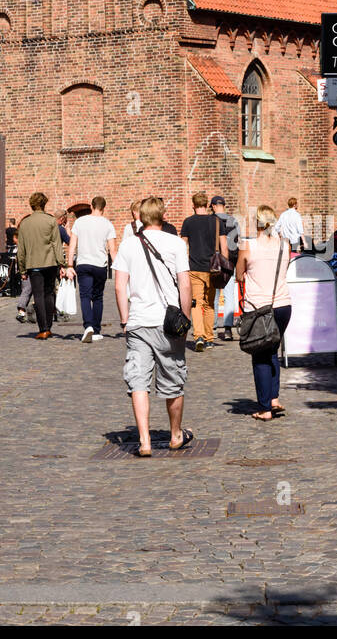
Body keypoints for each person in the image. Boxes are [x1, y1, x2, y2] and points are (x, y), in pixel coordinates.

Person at [113, 195, 193, 456]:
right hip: (168, 322)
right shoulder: (175, 244)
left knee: (138, 382)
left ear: (140, 217)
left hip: (138, 322)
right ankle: (175, 434)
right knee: (173, 380)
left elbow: (119, 285)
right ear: (163, 215)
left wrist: (124, 319)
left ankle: (145, 441)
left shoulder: (127, 245)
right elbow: (185, 283)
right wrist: (186, 315)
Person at [234, 205, 291, 420]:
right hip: (283, 305)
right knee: (272, 348)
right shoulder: (284, 246)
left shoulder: (248, 246)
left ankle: (265, 408)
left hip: (259, 309)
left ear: (256, 223)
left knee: (260, 356)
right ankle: (274, 399)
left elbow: (239, 275)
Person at [180, 190, 229, 352]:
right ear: (207, 205)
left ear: (193, 205)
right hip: (213, 269)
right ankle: (209, 338)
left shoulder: (188, 222)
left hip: (194, 268)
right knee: (209, 304)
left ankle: (198, 336)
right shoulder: (216, 222)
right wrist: (224, 266)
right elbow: (224, 248)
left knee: (196, 303)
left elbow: (182, 246)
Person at [65, 195, 117, 343]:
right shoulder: (108, 224)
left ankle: (88, 326)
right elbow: (112, 250)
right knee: (98, 297)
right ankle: (97, 330)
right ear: (104, 208)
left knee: (85, 296)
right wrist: (119, 269)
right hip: (100, 265)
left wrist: (70, 265)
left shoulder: (80, 222)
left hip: (83, 263)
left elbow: (72, 245)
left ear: (91, 206)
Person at [15, 192, 65, 338]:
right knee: (49, 294)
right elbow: (57, 245)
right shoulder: (50, 221)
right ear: (44, 204)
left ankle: (43, 328)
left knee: (38, 295)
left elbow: (21, 249)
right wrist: (62, 264)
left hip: (33, 264)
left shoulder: (25, 223)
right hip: (50, 263)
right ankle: (48, 326)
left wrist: (22, 269)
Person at [210, 196, 240, 342]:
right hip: (229, 263)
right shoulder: (233, 221)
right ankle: (228, 329)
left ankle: (213, 327)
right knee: (229, 296)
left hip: (213, 263)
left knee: (214, 295)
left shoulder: (210, 220)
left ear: (214, 206)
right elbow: (236, 244)